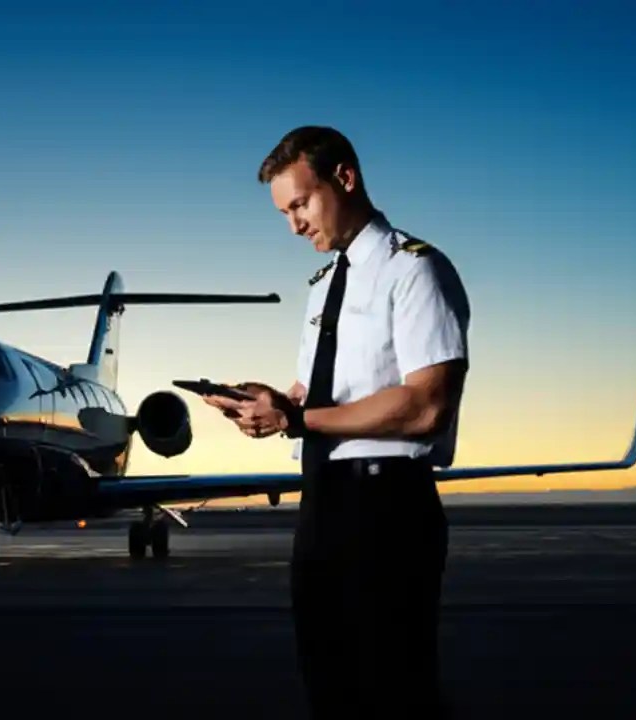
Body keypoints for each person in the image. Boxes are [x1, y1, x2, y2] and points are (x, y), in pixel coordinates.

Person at [201, 125, 470, 719]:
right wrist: (268, 404)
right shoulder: (323, 287)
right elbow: (312, 395)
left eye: (300, 204)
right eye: (284, 213)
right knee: (329, 689)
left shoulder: (415, 271)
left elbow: (428, 405)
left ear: (344, 178)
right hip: (323, 503)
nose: (294, 226)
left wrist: (297, 418)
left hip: (388, 507)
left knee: (396, 693)